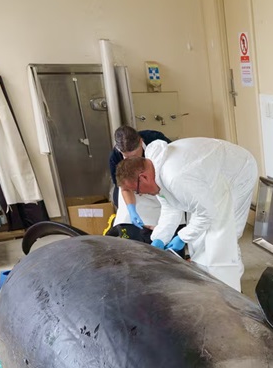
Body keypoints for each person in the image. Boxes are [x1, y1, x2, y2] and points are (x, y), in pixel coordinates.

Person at [115, 138, 257, 291]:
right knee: (199, 240)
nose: (140, 194)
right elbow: (171, 206)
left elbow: (207, 213)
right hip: (208, 177)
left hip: (236, 173)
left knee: (222, 238)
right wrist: (159, 238)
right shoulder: (155, 171)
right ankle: (211, 282)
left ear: (143, 177)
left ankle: (231, 292)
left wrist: (182, 237)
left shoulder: (176, 177)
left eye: (137, 190)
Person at [108, 124, 169, 230]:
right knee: (127, 219)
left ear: (141, 142)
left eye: (135, 156)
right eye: (127, 157)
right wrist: (132, 210)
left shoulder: (156, 141)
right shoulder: (115, 157)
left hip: (162, 184)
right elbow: (124, 188)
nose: (132, 162)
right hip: (133, 190)